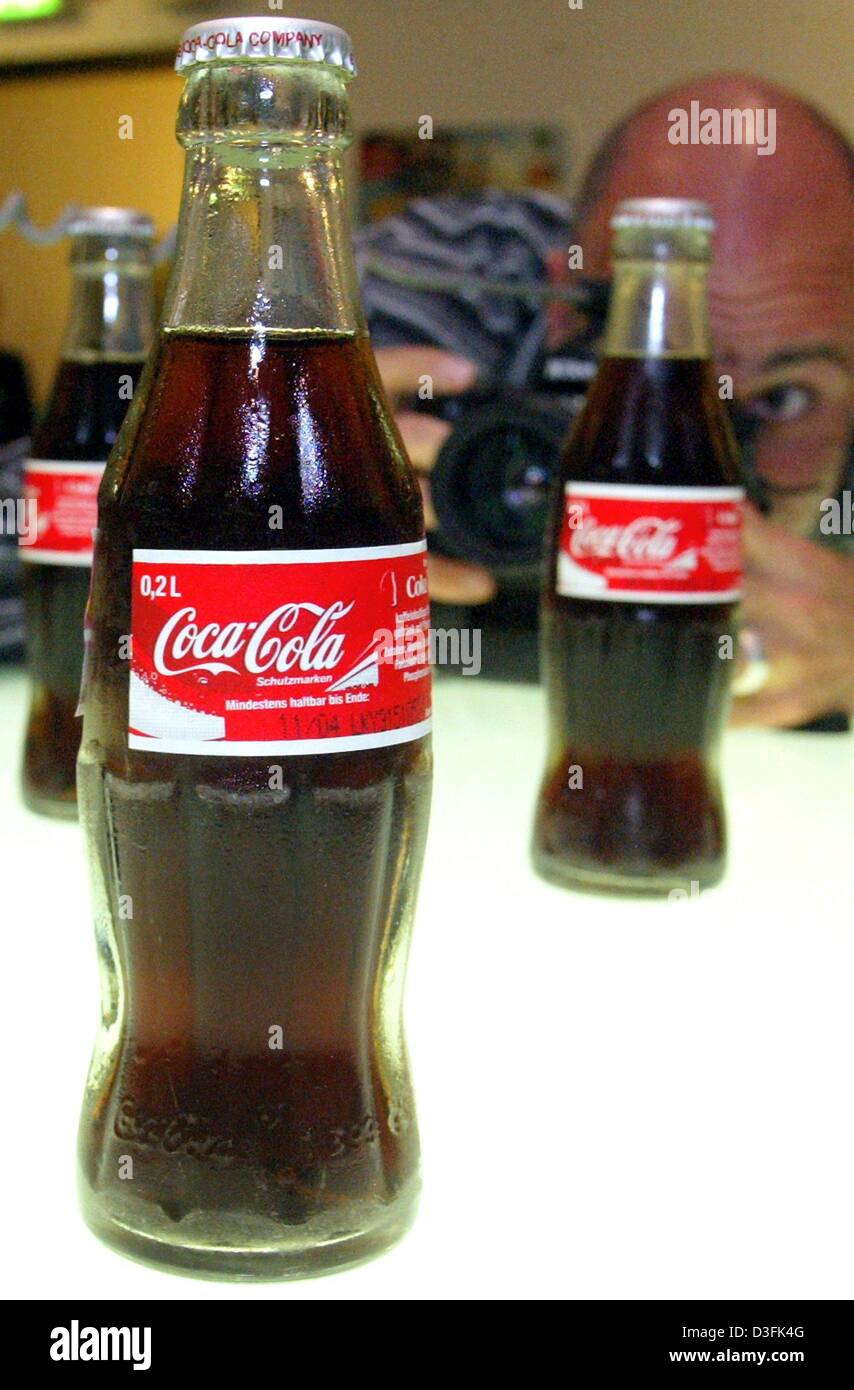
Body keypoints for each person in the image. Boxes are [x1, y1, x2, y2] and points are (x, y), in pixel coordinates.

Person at [371, 74, 854, 728]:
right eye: (650, 382)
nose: (698, 463)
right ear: (561, 307)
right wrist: (290, 478)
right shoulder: (458, 284)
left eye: (785, 398)